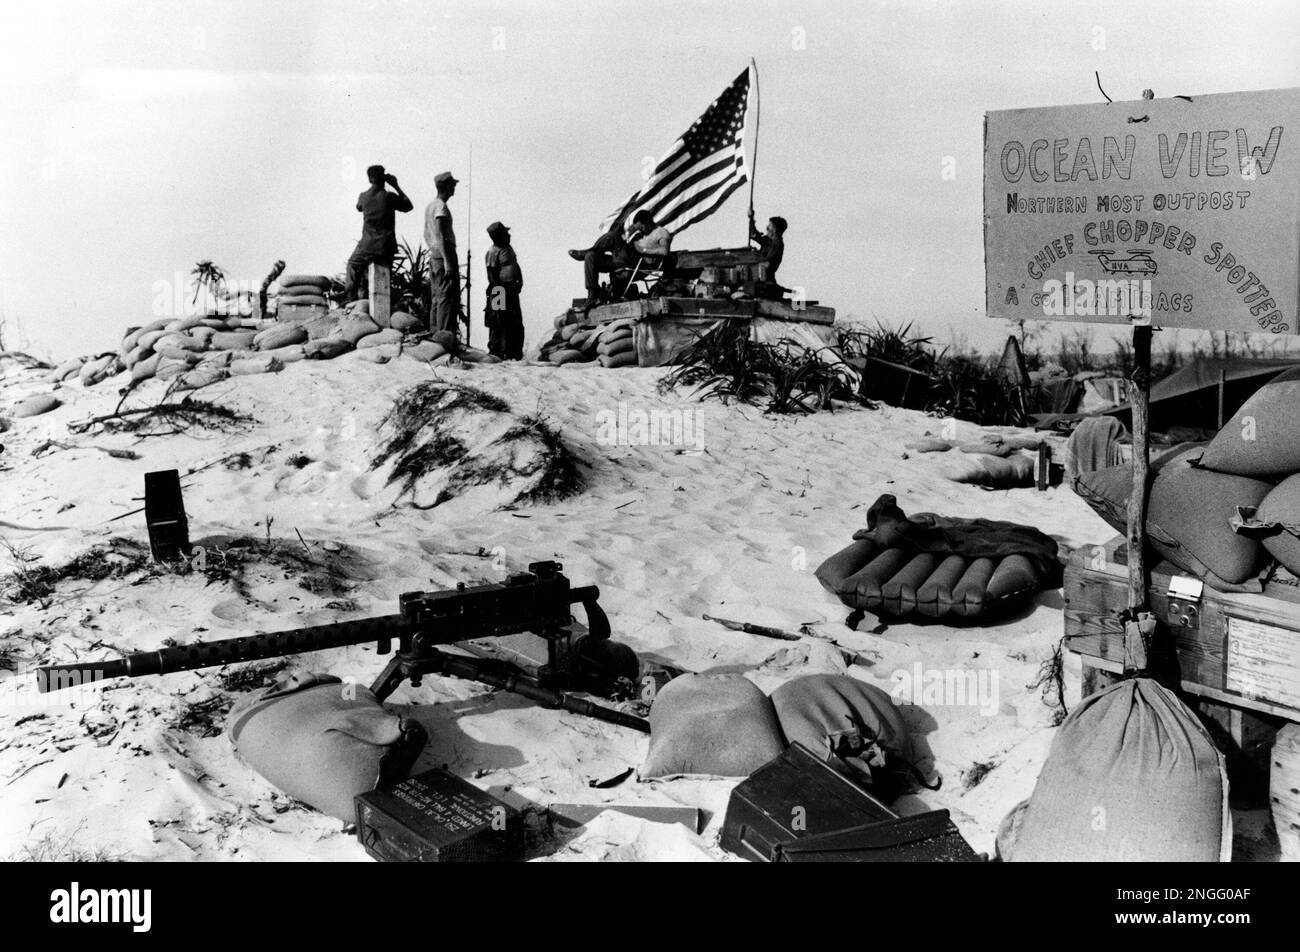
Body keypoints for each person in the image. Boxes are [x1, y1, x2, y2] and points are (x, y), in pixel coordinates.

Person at [567, 211, 671, 309]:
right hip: (623, 260)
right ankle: (593, 295)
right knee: (591, 257)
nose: (641, 230)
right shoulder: (641, 234)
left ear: (648, 222)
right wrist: (630, 235)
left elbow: (664, 251)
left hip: (637, 264)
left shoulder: (661, 232)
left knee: (613, 236)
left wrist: (643, 249)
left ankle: (585, 252)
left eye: (641, 227)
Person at [346, 165, 413, 300]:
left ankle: (349, 300)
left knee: (352, 266)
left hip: (366, 246)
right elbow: (408, 206)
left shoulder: (363, 197)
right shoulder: (389, 197)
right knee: (383, 281)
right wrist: (395, 185)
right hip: (385, 247)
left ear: (370, 179)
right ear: (384, 178)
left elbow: (358, 207)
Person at [425, 171, 461, 336]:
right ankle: (444, 336)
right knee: (446, 296)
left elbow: (428, 234)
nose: (454, 188)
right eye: (452, 185)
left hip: (434, 255)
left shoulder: (430, 206)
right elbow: (440, 234)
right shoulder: (440, 207)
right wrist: (447, 260)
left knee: (437, 297)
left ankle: (435, 333)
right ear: (446, 187)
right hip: (443, 254)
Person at [484, 221, 524, 360]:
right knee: (498, 322)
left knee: (515, 322)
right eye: (505, 233)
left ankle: (514, 353)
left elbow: (515, 265)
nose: (509, 235)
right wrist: (498, 292)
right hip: (499, 290)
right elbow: (491, 274)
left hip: (511, 289)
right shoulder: (492, 252)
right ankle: (497, 352)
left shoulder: (508, 248)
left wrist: (520, 281)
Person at [748, 212, 787, 287]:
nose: (767, 227)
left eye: (769, 225)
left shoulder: (777, 244)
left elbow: (767, 263)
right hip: (760, 277)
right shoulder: (768, 241)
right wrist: (751, 218)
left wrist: (753, 255)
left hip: (765, 280)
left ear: (774, 229)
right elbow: (753, 234)